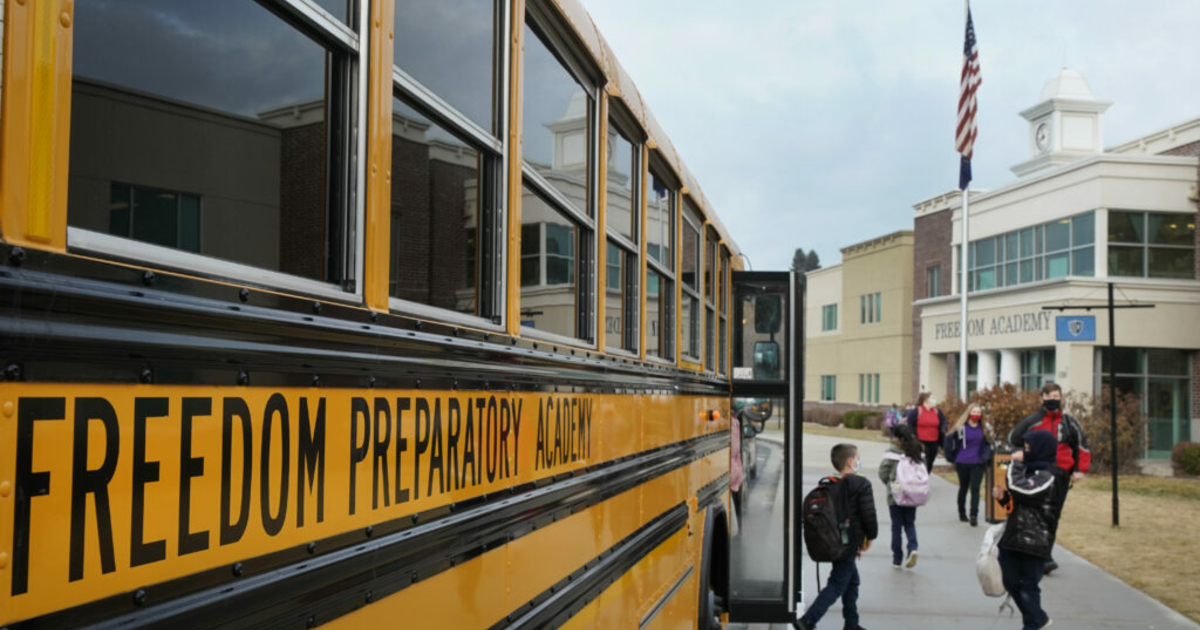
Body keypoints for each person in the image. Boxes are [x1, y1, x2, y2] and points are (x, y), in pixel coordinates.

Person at [1007, 382, 1090, 574]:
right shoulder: (1032, 421)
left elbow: (1082, 446)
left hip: (1060, 474)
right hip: (1037, 472)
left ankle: (1045, 555)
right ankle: (1032, 553)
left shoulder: (1069, 423)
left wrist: (1079, 469)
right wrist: (1024, 457)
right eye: (1049, 396)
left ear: (1061, 399)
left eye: (1056, 396)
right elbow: (1013, 439)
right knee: (1035, 513)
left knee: (1053, 514)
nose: (1053, 400)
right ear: (1041, 399)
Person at [796, 443, 878, 630]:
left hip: (835, 541)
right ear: (850, 462)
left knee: (852, 580)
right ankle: (808, 620)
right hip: (849, 542)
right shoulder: (861, 484)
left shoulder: (829, 484)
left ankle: (852, 623)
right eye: (857, 458)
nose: (859, 461)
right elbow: (869, 514)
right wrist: (870, 537)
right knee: (838, 583)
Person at [992, 430, 1059, 630]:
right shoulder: (1028, 472)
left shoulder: (1049, 476)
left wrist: (1016, 462)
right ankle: (1039, 618)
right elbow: (1018, 503)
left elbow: (1023, 489)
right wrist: (1003, 498)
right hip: (1014, 537)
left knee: (1028, 586)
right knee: (1011, 581)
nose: (1024, 452)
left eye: (1028, 448)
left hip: (1035, 541)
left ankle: (1031, 624)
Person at [879, 424, 923, 569]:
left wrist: (893, 485)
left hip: (895, 494)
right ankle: (913, 548)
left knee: (896, 526)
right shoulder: (916, 451)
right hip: (912, 494)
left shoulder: (892, 453)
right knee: (910, 523)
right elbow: (923, 471)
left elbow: (883, 473)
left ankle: (897, 558)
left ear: (896, 437)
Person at [947, 403, 994, 526]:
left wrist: (986, 457)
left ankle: (974, 515)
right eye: (974, 412)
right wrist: (951, 456)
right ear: (969, 413)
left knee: (975, 488)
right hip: (962, 461)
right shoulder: (961, 427)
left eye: (978, 413)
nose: (976, 415)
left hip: (978, 462)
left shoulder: (984, 428)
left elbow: (988, 443)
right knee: (964, 487)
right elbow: (949, 440)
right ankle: (962, 512)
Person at [905, 392, 946, 473]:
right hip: (920, 442)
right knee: (921, 462)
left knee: (930, 462)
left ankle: (925, 478)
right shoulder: (917, 411)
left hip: (934, 441)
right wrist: (913, 437)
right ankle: (918, 480)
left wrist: (943, 427)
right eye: (933, 398)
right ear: (926, 400)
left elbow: (943, 421)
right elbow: (910, 423)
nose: (935, 400)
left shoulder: (937, 411)